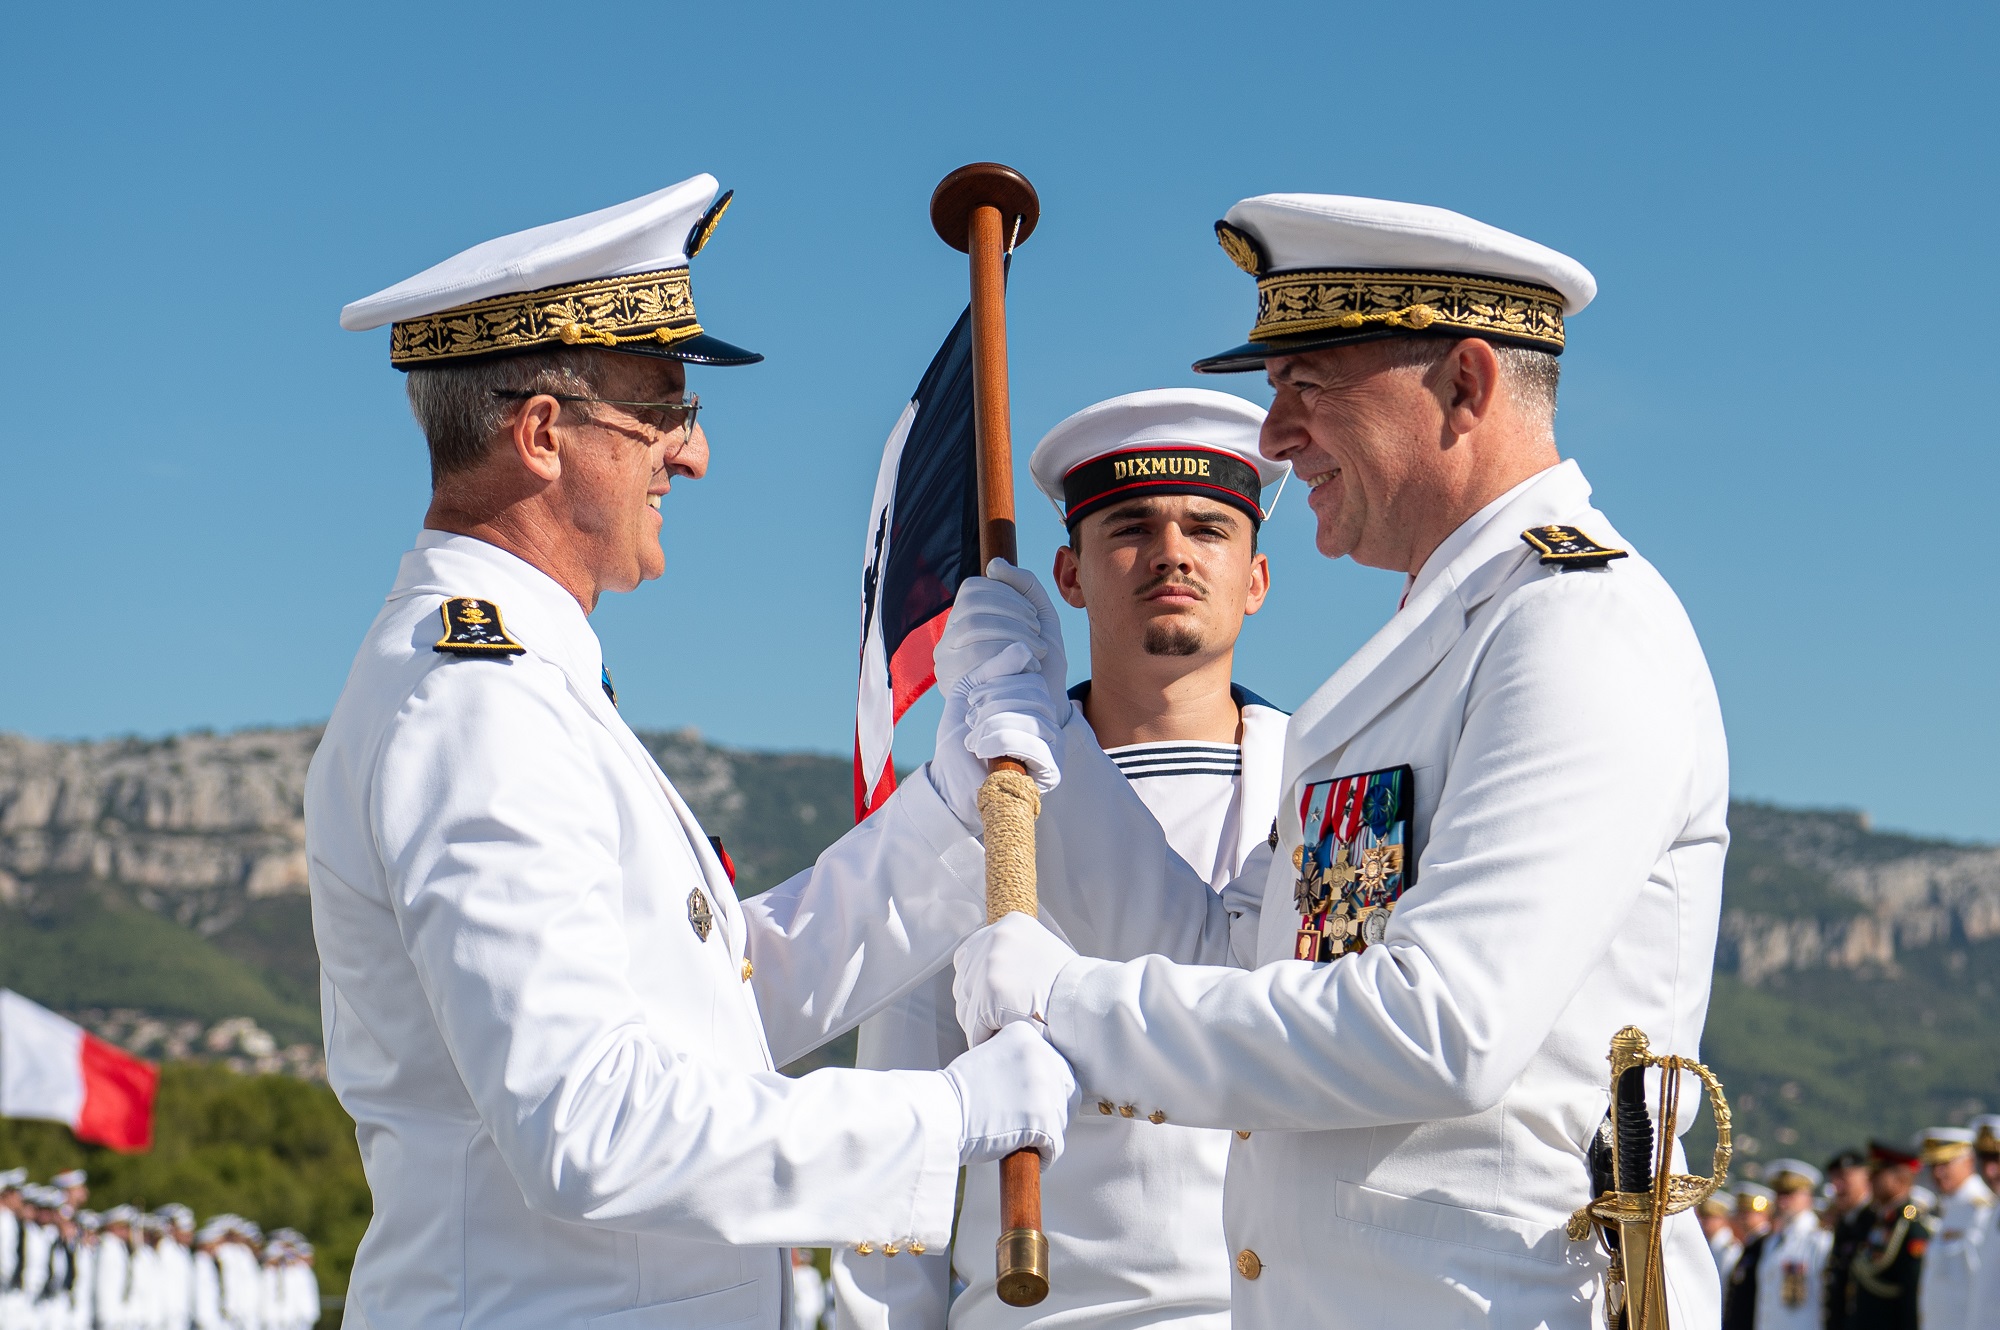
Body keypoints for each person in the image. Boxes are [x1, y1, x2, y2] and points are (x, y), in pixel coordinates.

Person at [949, 190, 1729, 1329]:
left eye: (1307, 386)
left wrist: (1069, 1000)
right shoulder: (1432, 646)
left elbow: (1442, 1026)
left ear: (1465, 385)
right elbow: (1233, 952)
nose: (1274, 436)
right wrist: (1039, 728)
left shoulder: (1574, 626)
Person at [311, 173, 1078, 1330]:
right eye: (663, 410)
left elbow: (718, 1004)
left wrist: (958, 804)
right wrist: (944, 1116)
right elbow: (588, 1120)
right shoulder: (476, 703)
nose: (694, 453)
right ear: (540, 435)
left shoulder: (526, 683)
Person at [835, 391, 1290, 1330]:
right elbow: (896, 1119)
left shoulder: (1327, 786)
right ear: (1069, 575)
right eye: (1131, 528)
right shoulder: (987, 795)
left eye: (1208, 529)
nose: (1172, 553)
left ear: (1255, 579)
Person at [1841, 1142, 1928, 1330]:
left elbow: (1911, 1292)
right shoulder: (1877, 1222)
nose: (1870, 1181)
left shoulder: (1910, 1227)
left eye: (1876, 1174)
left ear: (1899, 1178)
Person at [1918, 1127, 1992, 1330]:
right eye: (1933, 1165)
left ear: (1969, 1162)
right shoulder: (1948, 1208)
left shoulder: (1981, 1211)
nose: (1937, 1173)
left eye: (1945, 1164)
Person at [1754, 1162, 1834, 1330]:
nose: (1782, 1201)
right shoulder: (1773, 1242)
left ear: (1808, 1196)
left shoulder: (1819, 1241)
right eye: (1779, 1193)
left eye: (1790, 1193)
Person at [1727, 1183, 1779, 1329]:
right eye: (1740, 1212)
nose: (1742, 1218)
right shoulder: (1749, 1247)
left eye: (1748, 1213)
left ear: (1764, 1214)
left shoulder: (1765, 1245)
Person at [1706, 1191, 1745, 1281]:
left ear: (1724, 1219)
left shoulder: (1730, 1248)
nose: (1707, 1222)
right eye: (1704, 1217)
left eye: (1712, 1217)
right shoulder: (1709, 1244)